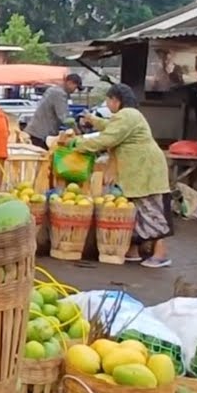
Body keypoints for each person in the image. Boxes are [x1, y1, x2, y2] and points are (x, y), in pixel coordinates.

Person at [63, 83, 173, 268]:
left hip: (146, 169)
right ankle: (133, 250)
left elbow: (108, 138)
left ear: (116, 100)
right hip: (136, 170)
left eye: (108, 100)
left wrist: (77, 144)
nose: (107, 104)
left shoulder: (128, 114)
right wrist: (93, 120)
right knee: (135, 210)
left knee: (151, 211)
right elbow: (111, 127)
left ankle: (161, 254)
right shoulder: (126, 116)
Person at [25, 73, 82, 149]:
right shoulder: (60, 94)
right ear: (69, 82)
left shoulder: (53, 90)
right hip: (41, 134)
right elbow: (65, 118)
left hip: (34, 130)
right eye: (75, 87)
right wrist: (77, 131)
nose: (75, 90)